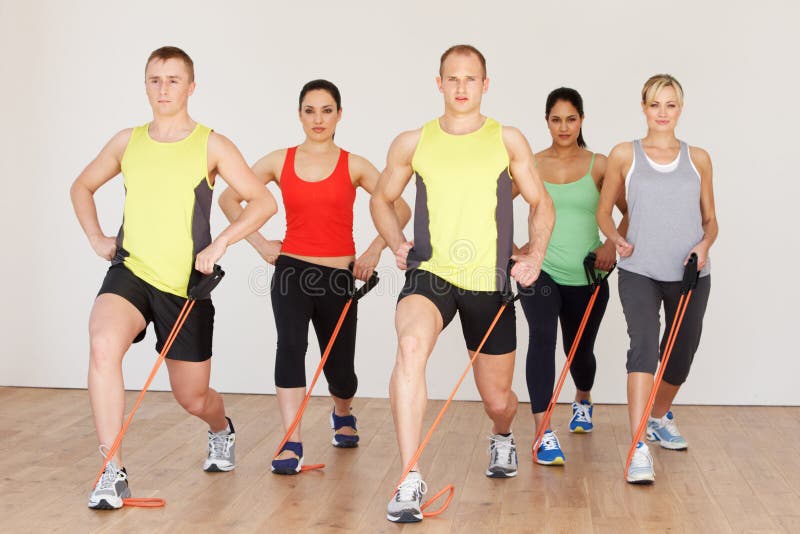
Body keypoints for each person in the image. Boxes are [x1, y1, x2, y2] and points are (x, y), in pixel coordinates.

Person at [71, 46, 277, 509]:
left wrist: (220, 242)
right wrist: (97, 237)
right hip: (131, 272)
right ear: (145, 85)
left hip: (185, 285)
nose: (163, 89)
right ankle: (112, 469)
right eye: (154, 80)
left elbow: (264, 201)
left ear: (191, 86)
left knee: (193, 397)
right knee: (103, 344)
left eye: (173, 80)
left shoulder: (212, 144)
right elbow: (81, 186)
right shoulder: (127, 141)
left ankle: (221, 430)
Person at [370, 44, 554, 523]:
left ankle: (501, 435)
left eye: (470, 79)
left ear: (485, 84)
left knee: (498, 401)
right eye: (452, 78)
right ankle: (409, 477)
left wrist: (534, 255)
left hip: (489, 284)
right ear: (439, 83)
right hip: (431, 274)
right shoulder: (414, 141)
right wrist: (396, 243)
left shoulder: (507, 139)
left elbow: (541, 203)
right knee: (410, 346)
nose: (461, 87)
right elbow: (381, 198)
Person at [219, 79, 410, 475]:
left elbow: (399, 207)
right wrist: (258, 243)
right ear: (299, 114)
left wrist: (375, 250)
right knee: (290, 347)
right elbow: (229, 198)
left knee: (340, 369)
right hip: (291, 270)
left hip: (339, 276)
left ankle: (343, 412)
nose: (318, 119)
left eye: (326, 110)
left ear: (339, 114)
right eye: (310, 110)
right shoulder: (278, 160)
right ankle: (292, 438)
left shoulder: (354, 164)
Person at [597, 74, 717, 484]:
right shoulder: (623, 155)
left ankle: (659, 416)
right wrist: (615, 238)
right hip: (639, 272)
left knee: (681, 353)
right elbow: (603, 212)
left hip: (689, 272)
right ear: (643, 107)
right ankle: (637, 449)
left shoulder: (698, 158)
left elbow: (711, 220)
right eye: (655, 105)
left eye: (670, 105)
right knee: (644, 347)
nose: (662, 113)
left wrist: (705, 246)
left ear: (680, 109)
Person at [518, 87, 627, 466]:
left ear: (582, 119)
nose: (563, 126)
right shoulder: (530, 163)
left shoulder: (599, 164)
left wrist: (612, 245)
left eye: (571, 118)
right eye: (555, 119)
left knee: (579, 353)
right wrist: (516, 251)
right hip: (541, 269)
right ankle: (542, 431)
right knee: (542, 339)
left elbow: (630, 210)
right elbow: (495, 204)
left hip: (588, 273)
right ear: (546, 121)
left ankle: (583, 397)